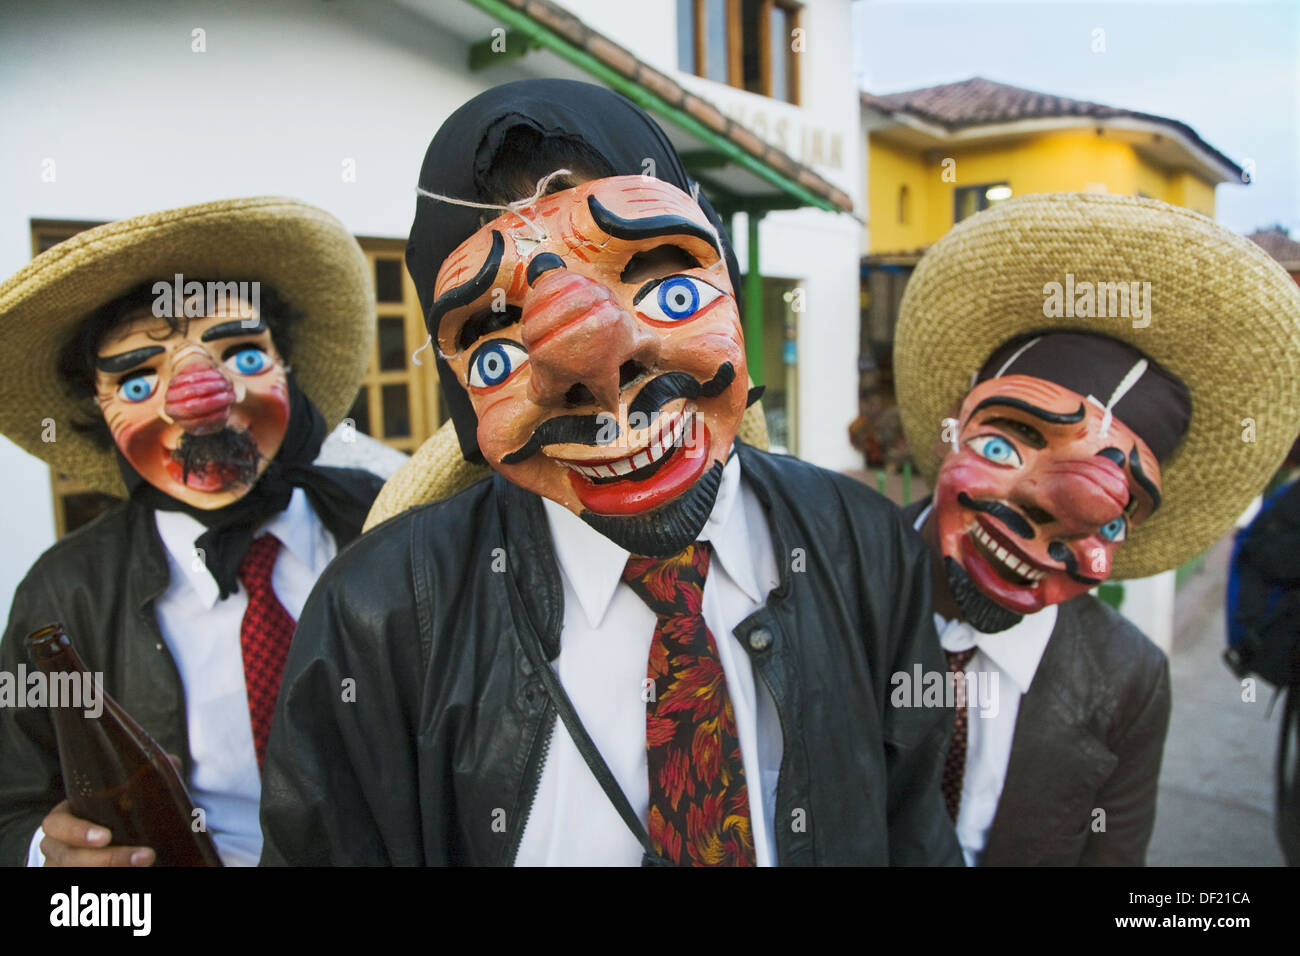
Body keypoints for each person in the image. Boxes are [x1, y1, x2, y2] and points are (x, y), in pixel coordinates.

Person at [259, 79, 961, 866]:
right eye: (498, 341)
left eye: (666, 281)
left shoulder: (863, 544)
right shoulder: (374, 617)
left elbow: (912, 831)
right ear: (463, 396)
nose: (595, 361)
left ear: (728, 280)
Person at [892, 192, 1300, 865]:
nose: (1041, 519)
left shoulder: (1128, 679)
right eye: (1007, 444)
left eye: (1108, 514)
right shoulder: (820, 577)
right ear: (954, 430)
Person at [0, 197, 384, 866]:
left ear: (286, 367)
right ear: (97, 406)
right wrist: (44, 850)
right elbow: (13, 801)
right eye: (140, 377)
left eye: (240, 355)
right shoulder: (65, 595)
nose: (199, 400)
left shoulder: (393, 526)